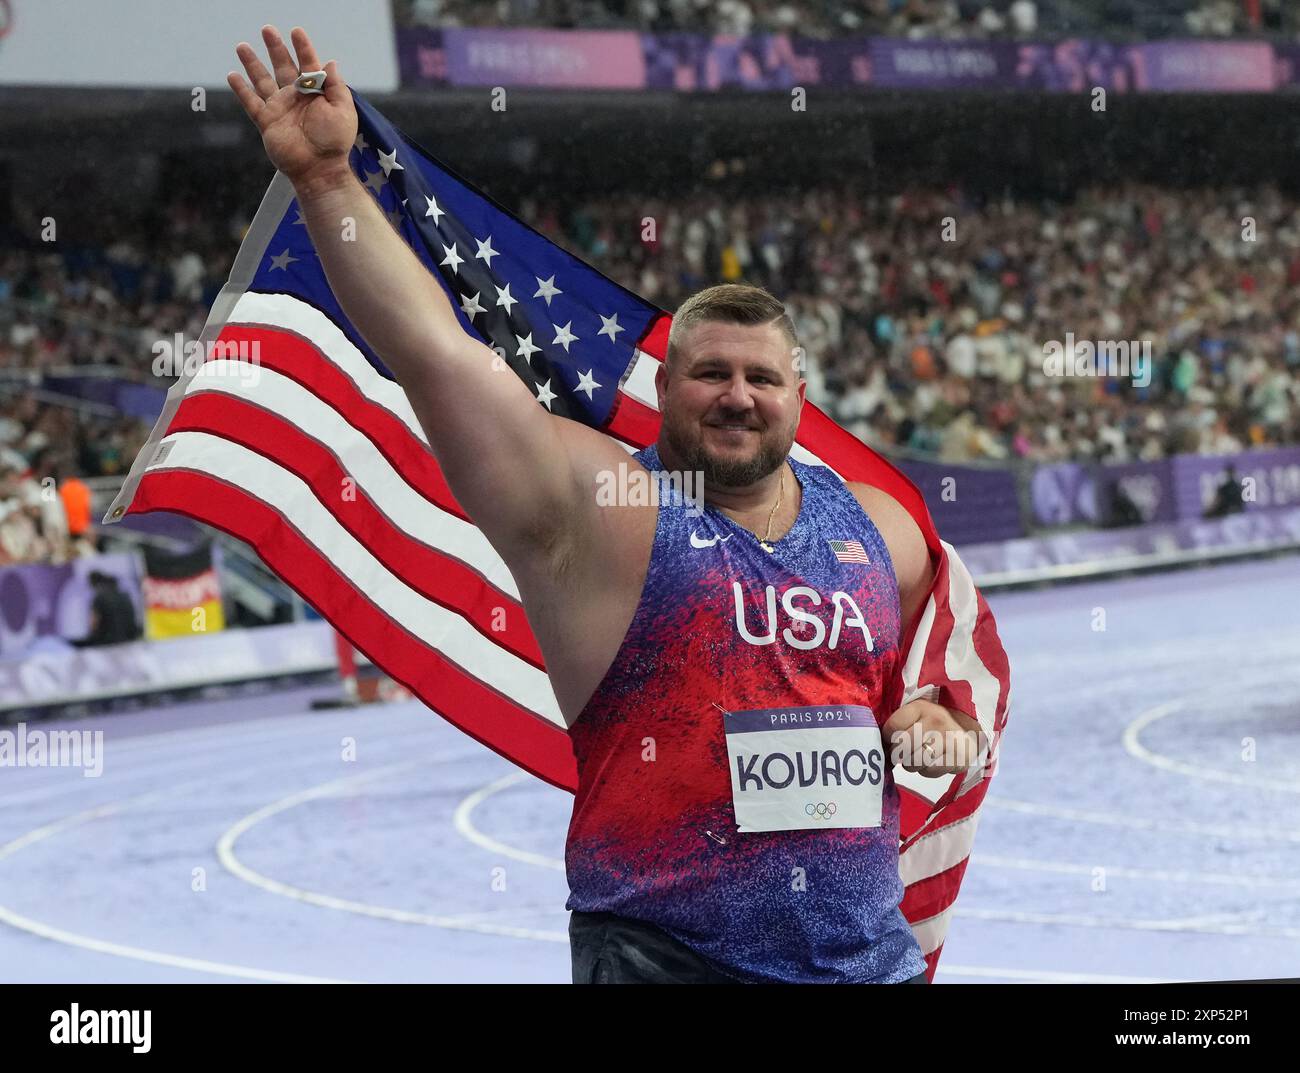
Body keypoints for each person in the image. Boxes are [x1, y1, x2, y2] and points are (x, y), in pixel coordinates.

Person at [228, 26, 985, 984]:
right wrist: (329, 183)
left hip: (864, 964)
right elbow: (440, 355)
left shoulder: (877, 529)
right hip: (667, 962)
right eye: (710, 373)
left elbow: (932, 681)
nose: (738, 395)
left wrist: (941, 716)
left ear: (801, 392)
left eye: (762, 376)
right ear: (663, 390)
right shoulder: (601, 510)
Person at [74, 571, 141, 647]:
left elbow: (94, 623)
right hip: (129, 642)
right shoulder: (124, 595)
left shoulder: (99, 598)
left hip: (107, 644)